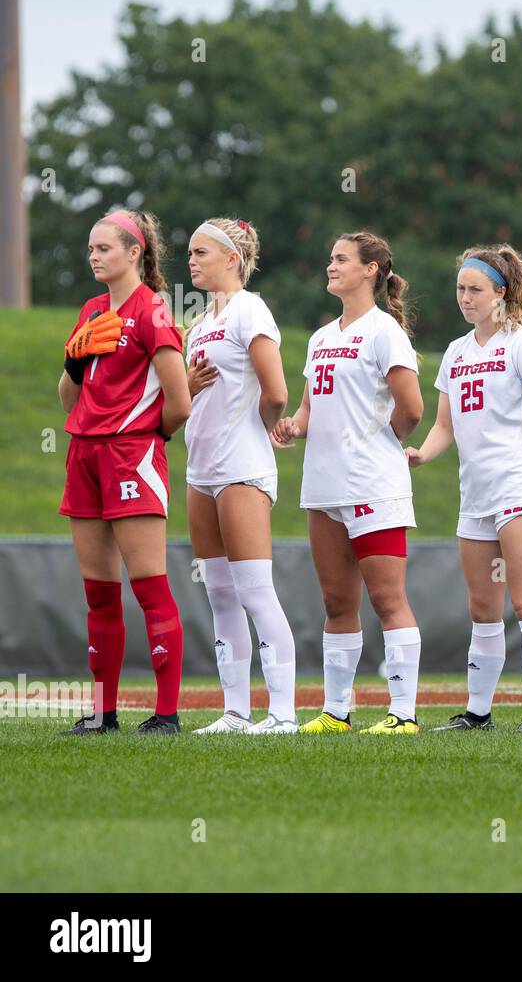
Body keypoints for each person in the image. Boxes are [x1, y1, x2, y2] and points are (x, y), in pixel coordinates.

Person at [272, 232, 423, 735]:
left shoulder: (385, 333)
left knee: (387, 600)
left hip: (373, 486)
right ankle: (336, 713)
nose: (331, 265)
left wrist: (378, 446)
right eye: (331, 258)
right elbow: (311, 407)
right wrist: (293, 424)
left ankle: (403, 715)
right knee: (337, 602)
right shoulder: (320, 338)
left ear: (371, 270)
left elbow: (413, 409)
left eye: (341, 259)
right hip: (323, 485)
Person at [407, 245, 522, 734]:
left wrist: (517, 452)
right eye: (461, 288)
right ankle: (478, 713)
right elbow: (444, 426)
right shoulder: (455, 352)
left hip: (520, 486)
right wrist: (420, 454)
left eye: (476, 289)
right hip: (475, 493)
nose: (466, 297)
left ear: (501, 291)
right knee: (482, 607)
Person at [59, 209, 192, 736]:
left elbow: (178, 403)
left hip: (130, 454)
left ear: (134, 253)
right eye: (90, 249)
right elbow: (66, 398)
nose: (94, 256)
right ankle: (103, 713)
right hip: (83, 454)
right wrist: (74, 360)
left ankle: (166, 714)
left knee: (149, 585)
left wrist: (143, 441)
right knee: (98, 591)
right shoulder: (92, 310)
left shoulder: (154, 311)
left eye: (104, 249)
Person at [184, 218, 297, 734]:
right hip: (200, 468)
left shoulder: (250, 309)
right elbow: (184, 403)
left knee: (254, 590)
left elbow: (275, 392)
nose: (192, 259)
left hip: (241, 466)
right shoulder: (199, 321)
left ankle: (283, 713)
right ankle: (234, 711)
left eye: (201, 251)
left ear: (232, 258)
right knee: (220, 594)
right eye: (190, 251)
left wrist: (271, 430)